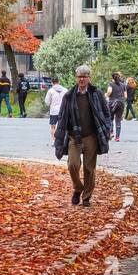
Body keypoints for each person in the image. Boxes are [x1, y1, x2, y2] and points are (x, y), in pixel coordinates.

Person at [54, 64, 111, 206]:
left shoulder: (96, 93)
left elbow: (106, 113)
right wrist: (59, 137)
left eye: (84, 76)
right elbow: (62, 117)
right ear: (76, 78)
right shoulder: (69, 96)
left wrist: (107, 128)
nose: (82, 79)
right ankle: (78, 188)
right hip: (74, 136)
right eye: (79, 76)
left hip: (91, 136)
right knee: (72, 165)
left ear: (89, 78)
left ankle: (86, 197)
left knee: (89, 169)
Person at [45, 75, 67, 143]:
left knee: (53, 126)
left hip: (54, 111)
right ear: (59, 82)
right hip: (63, 110)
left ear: (52, 82)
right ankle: (62, 140)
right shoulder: (65, 90)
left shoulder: (50, 91)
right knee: (62, 126)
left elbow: (47, 102)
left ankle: (54, 140)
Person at [106, 71, 126, 142]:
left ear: (112, 78)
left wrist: (105, 96)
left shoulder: (110, 84)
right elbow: (125, 96)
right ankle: (117, 137)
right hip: (121, 103)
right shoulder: (123, 85)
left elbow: (109, 91)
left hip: (112, 103)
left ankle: (111, 132)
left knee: (110, 118)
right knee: (118, 120)